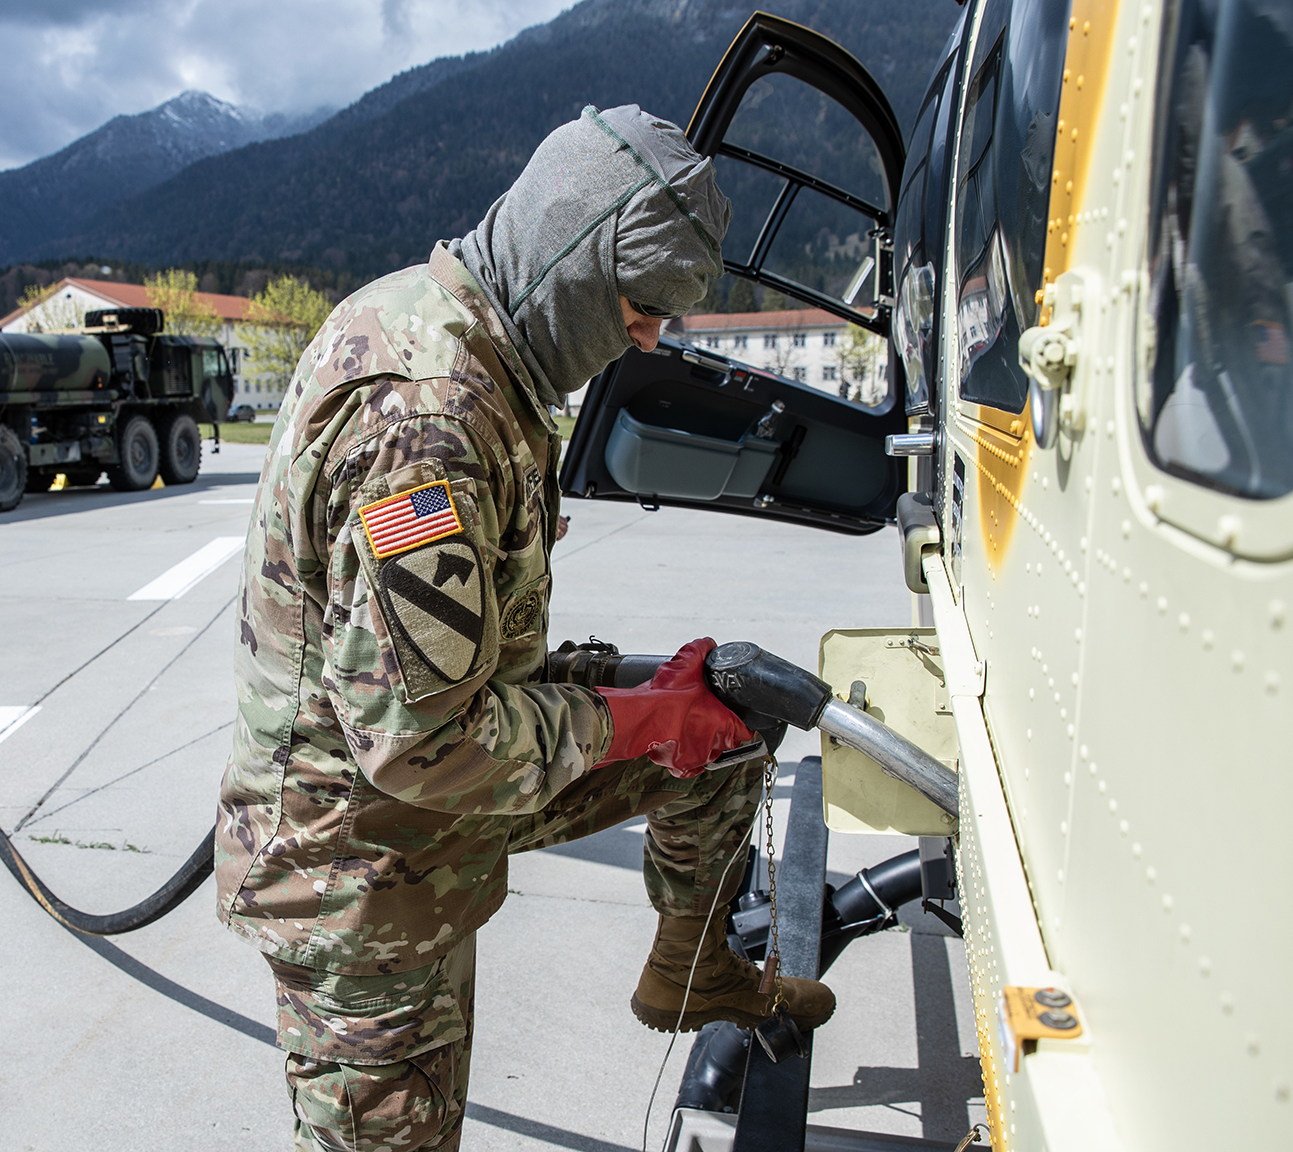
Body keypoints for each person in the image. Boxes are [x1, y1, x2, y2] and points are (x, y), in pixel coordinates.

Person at [216, 105, 835, 1151]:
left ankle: (690, 970)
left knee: (723, 734)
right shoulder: (429, 421)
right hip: (359, 871)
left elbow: (453, 664)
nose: (648, 338)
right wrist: (636, 720)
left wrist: (642, 694)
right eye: (640, 307)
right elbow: (420, 744)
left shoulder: (465, 346)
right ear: (572, 257)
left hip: (428, 814)